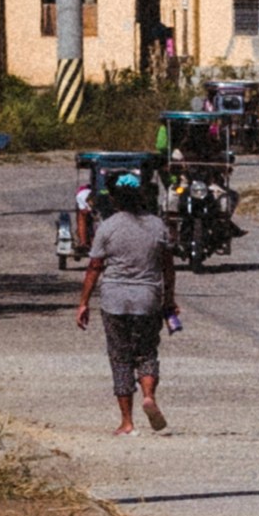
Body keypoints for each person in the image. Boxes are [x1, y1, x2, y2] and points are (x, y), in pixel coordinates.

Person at [74, 164, 180, 434]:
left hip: (114, 301)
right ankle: (148, 396)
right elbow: (168, 268)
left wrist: (83, 302)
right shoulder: (157, 226)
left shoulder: (108, 228)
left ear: (114, 198)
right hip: (148, 300)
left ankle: (127, 422)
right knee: (146, 353)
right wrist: (169, 300)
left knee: (120, 357)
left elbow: (94, 267)